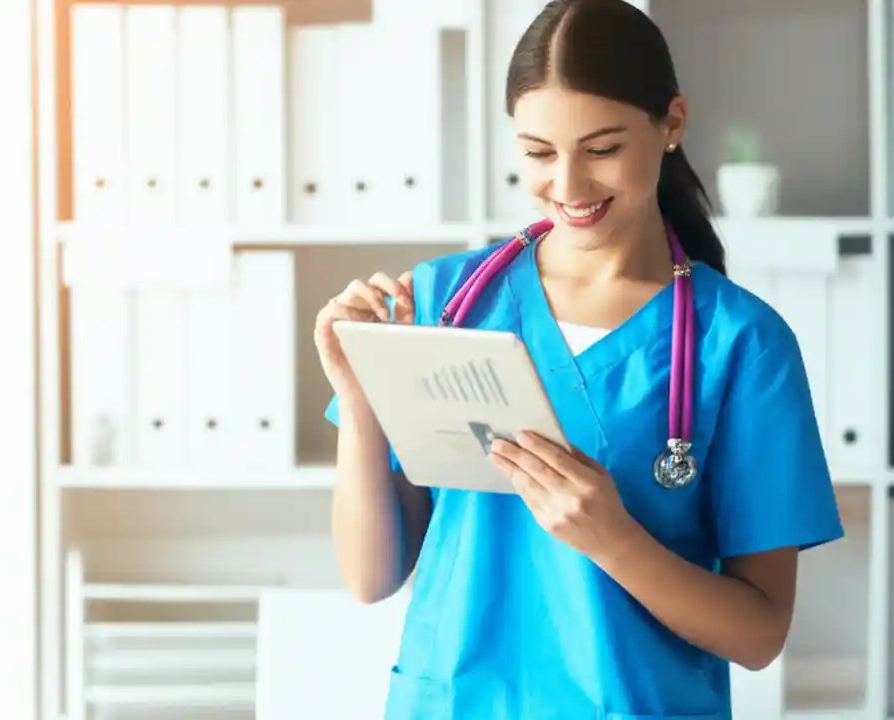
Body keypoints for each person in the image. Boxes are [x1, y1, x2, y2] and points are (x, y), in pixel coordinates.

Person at [312, 0, 844, 717]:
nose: (567, 186)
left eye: (601, 150)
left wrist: (613, 538)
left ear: (671, 124)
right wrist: (360, 399)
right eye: (537, 153)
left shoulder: (741, 344)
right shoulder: (440, 303)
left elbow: (758, 634)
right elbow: (370, 577)